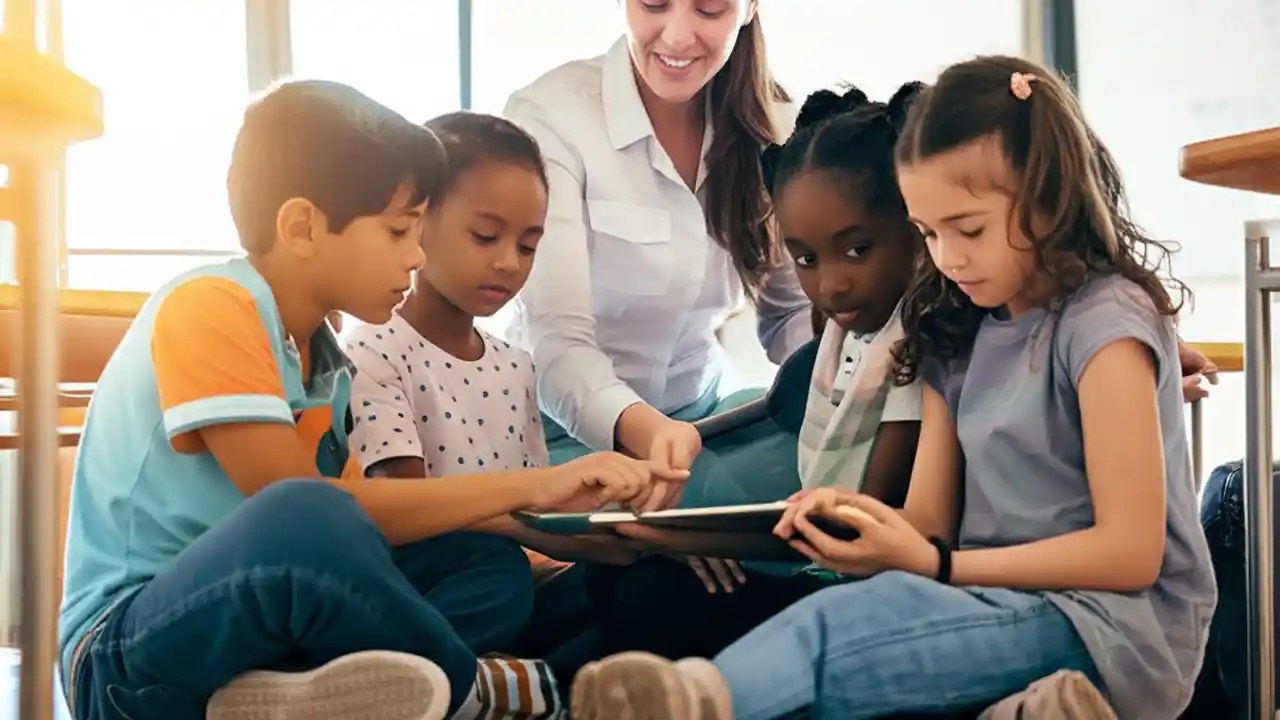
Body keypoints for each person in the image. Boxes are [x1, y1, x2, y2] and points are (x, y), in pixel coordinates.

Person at [568, 55, 1216, 720]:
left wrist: (940, 569)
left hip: (1104, 619)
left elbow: (1131, 556)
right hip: (985, 597)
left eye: (968, 230)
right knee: (858, 614)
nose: (948, 257)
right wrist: (859, 528)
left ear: (1045, 198)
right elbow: (927, 525)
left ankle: (698, 702)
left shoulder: (1104, 322)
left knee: (850, 637)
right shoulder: (954, 330)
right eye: (929, 233)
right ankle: (1036, 711)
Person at [58, 80, 681, 720]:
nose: (415, 255)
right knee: (306, 514)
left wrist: (566, 528)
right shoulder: (212, 303)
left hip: (250, 641)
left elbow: (375, 524)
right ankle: (485, 693)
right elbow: (304, 514)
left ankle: (322, 694)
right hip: (125, 651)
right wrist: (532, 484)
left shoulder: (326, 363)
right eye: (397, 231)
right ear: (302, 227)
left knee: (487, 564)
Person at [576, 82, 929, 672]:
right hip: (816, 562)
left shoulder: (918, 348)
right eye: (807, 259)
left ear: (915, 228)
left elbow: (859, 519)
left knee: (652, 595)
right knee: (617, 575)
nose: (830, 284)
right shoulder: (842, 343)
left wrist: (690, 539)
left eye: (857, 250)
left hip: (854, 592)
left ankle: (536, 687)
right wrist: (683, 540)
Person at [502, 0, 812, 482]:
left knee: (827, 467)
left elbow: (792, 313)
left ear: (750, 7)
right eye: (654, 4)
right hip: (561, 434)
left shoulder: (778, 129)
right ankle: (690, 529)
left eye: (709, 10)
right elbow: (557, 340)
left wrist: (840, 387)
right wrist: (655, 442)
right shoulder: (552, 117)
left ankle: (686, 528)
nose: (677, 37)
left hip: (703, 425)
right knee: (658, 503)